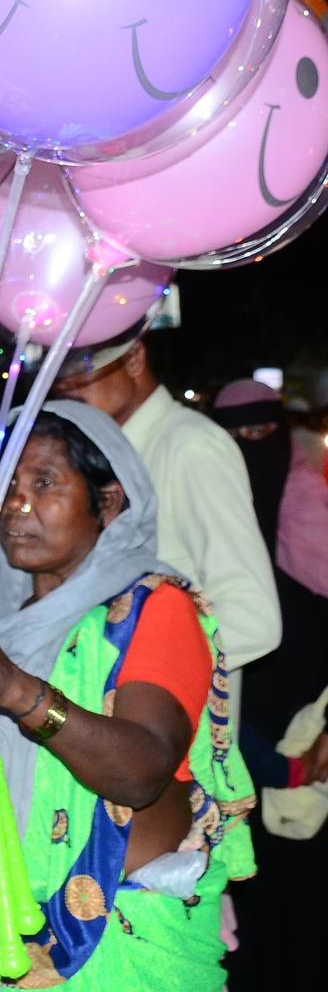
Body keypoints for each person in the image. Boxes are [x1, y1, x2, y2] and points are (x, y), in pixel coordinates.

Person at [0, 401, 256, 991]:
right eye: (5, 486)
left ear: (107, 503)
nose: (15, 505)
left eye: (44, 483)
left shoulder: (153, 610)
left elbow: (140, 772)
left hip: (119, 932)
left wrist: (15, 689)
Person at [52, 338, 280, 715]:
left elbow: (253, 617)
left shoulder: (188, 446)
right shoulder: (106, 452)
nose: (65, 385)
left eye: (82, 366)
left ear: (135, 358)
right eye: (59, 372)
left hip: (170, 735)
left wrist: (134, 676)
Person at [211, 379, 328, 987]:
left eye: (262, 434)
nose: (250, 448)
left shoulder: (312, 507)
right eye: (234, 437)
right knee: (245, 868)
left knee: (306, 870)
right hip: (235, 717)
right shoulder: (211, 516)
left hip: (310, 717)